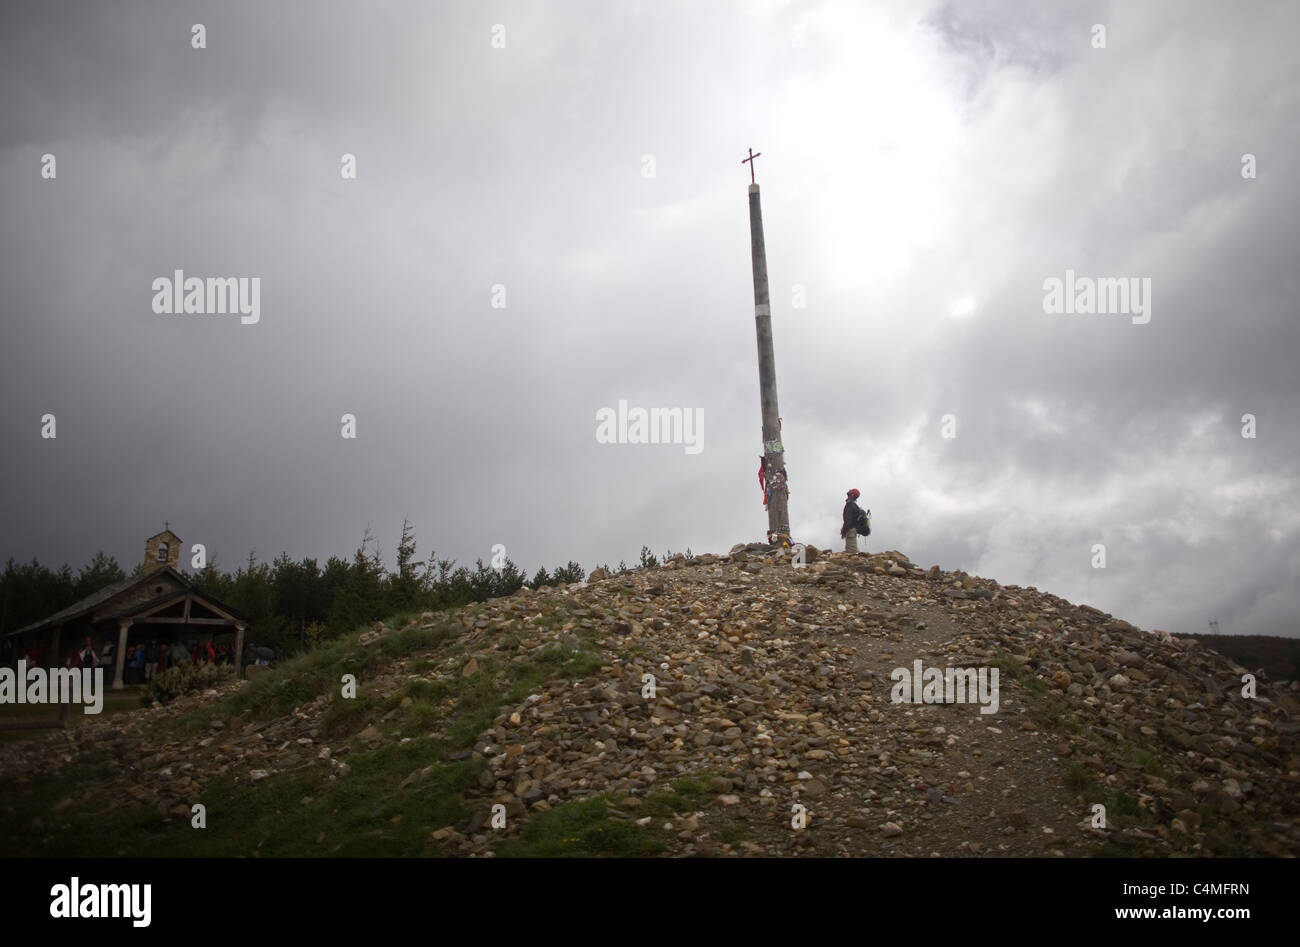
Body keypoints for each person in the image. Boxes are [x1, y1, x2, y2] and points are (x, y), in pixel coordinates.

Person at [841, 488, 870, 553]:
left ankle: (856, 562)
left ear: (852, 495)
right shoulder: (854, 505)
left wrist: (845, 530)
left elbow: (848, 520)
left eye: (849, 493)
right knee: (853, 550)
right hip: (853, 530)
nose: (847, 494)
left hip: (850, 530)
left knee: (852, 552)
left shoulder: (850, 505)